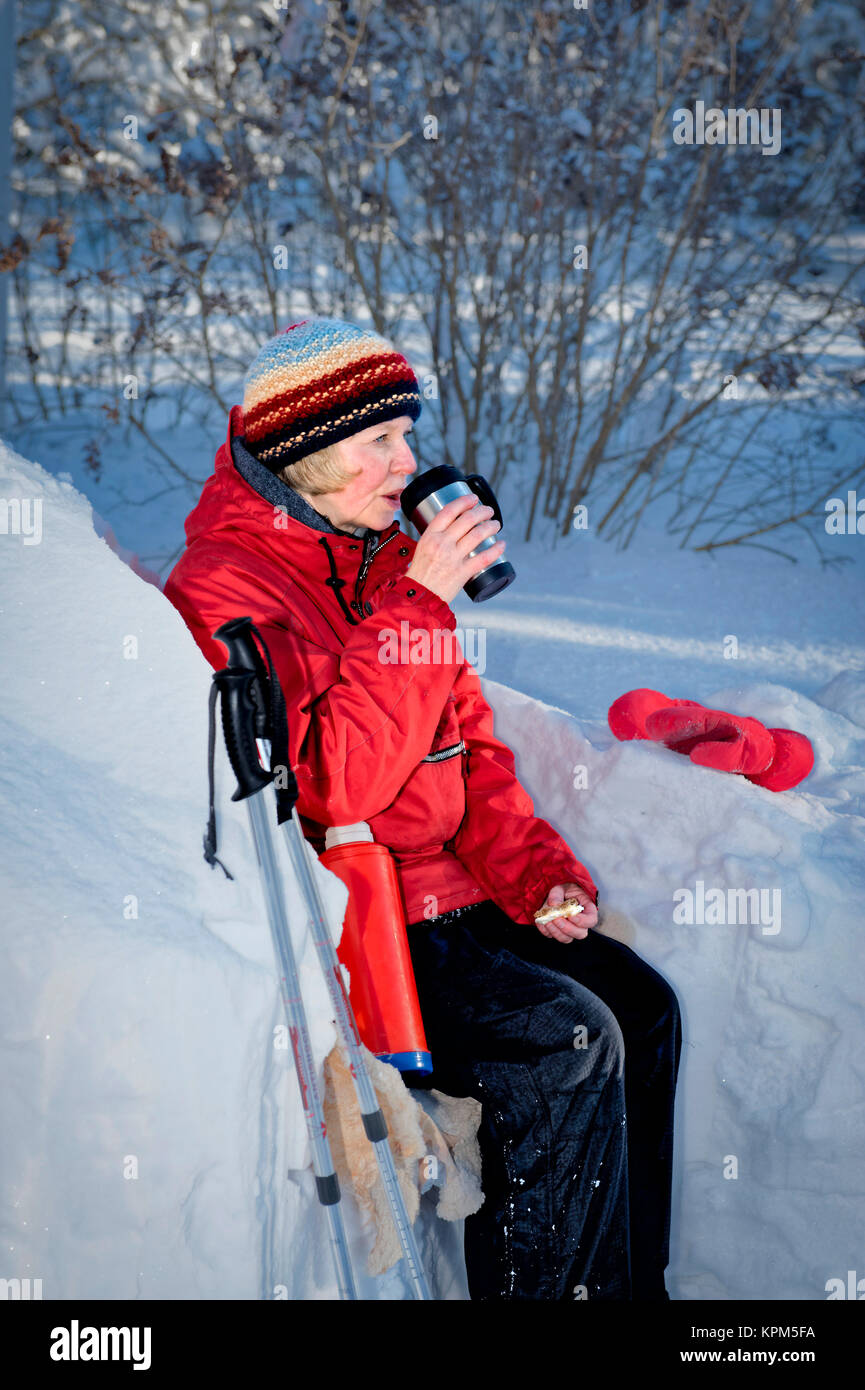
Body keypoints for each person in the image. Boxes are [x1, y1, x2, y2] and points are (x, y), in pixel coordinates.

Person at [164, 316, 681, 1301]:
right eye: (380, 443)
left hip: (460, 904)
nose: (410, 462)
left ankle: (626, 1288)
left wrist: (539, 879)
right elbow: (334, 792)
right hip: (369, 925)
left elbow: (472, 756)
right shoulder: (230, 583)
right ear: (307, 456)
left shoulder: (378, 556)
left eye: (407, 434)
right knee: (563, 1040)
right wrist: (419, 608)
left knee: (642, 1007)